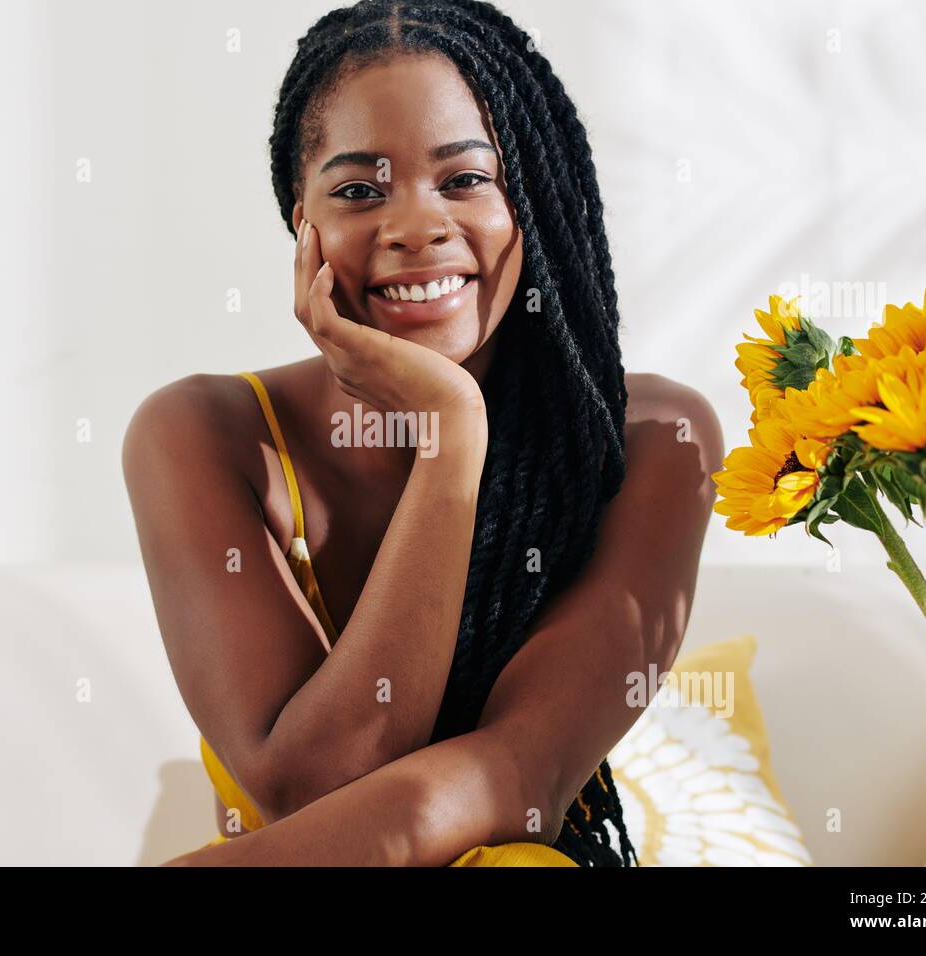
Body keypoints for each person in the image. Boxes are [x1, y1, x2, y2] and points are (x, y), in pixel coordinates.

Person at [122, 0, 723, 866]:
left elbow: (519, 779)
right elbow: (314, 787)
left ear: (536, 202)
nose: (414, 226)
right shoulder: (200, 436)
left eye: (466, 179)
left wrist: (452, 438)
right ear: (304, 223)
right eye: (359, 190)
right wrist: (450, 442)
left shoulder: (657, 437)